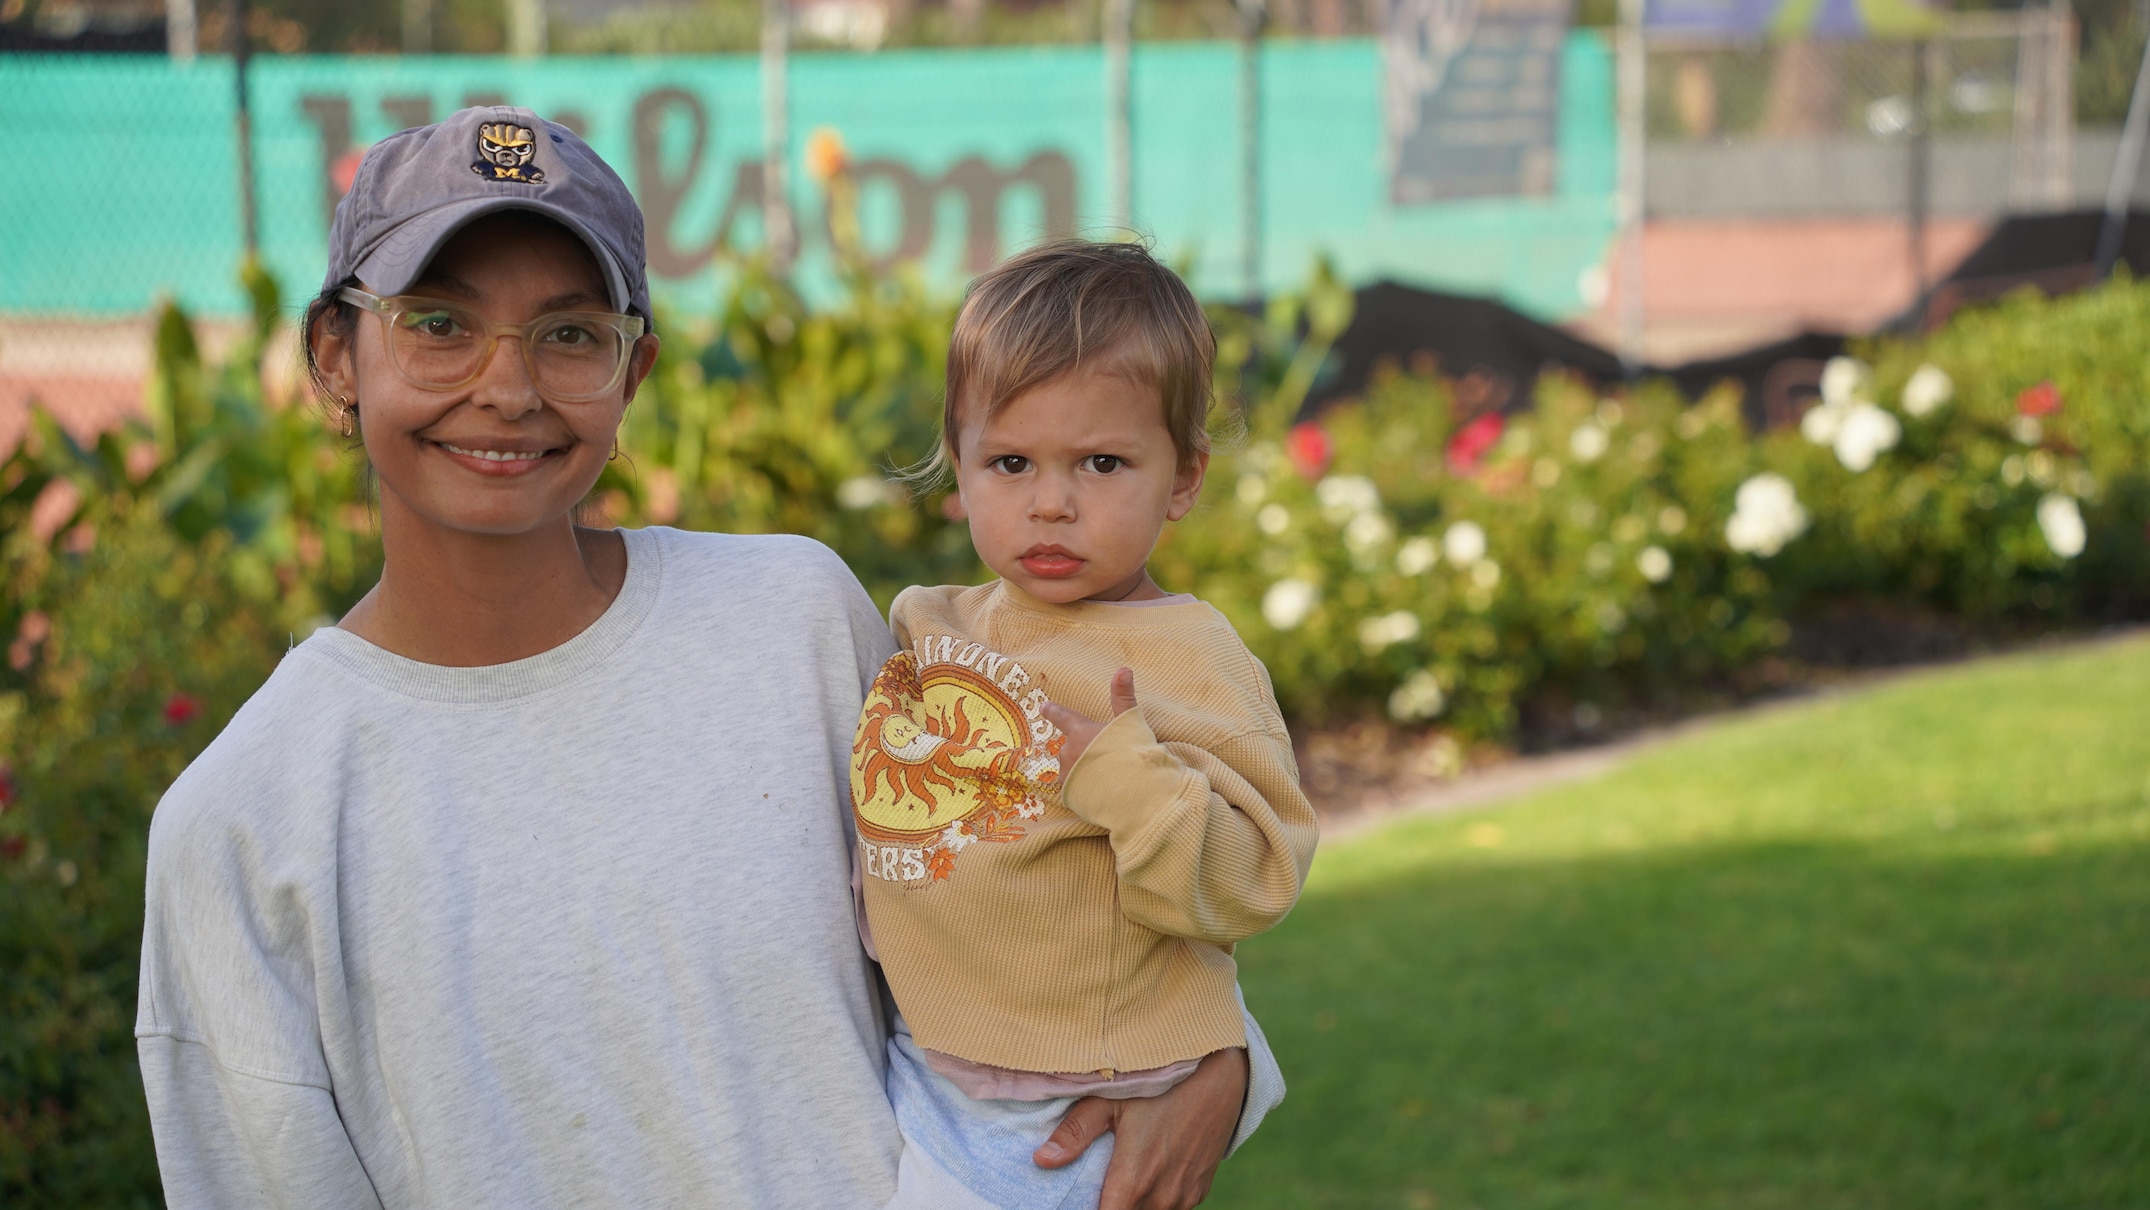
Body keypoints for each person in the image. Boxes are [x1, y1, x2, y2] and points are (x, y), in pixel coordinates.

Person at [133, 106, 1280, 1209]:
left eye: (570, 332)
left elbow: (1027, 870)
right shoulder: (244, 827)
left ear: (632, 372)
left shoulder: (790, 616)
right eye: (436, 323)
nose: (507, 386)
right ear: (335, 353)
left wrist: (1219, 1062)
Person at [853, 241, 1321, 1209]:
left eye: (1101, 462)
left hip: (1073, 1108)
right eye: (1010, 462)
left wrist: (1119, 775)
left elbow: (1258, 873)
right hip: (923, 1064)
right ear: (959, 464)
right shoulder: (930, 622)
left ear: (1182, 478)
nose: (1051, 502)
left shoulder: (1189, 659)